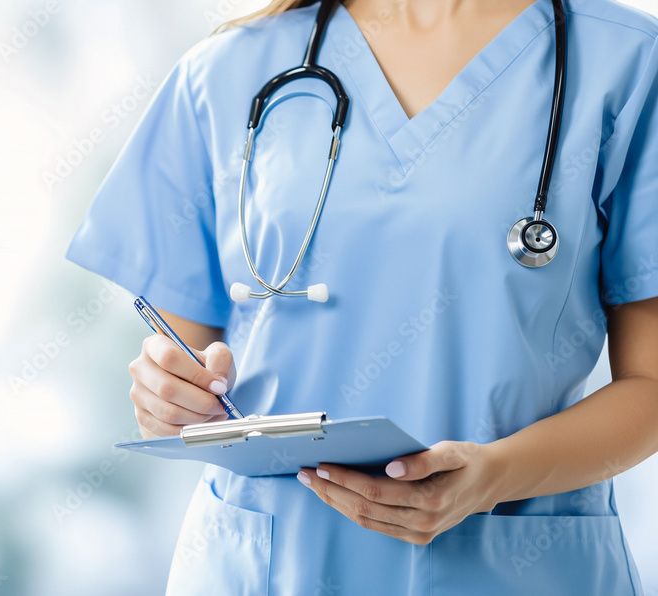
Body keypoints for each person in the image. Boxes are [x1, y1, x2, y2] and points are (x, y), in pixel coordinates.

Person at [65, 0, 658, 593]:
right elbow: (182, 371)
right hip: (270, 566)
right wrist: (168, 396)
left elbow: (650, 385)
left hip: (514, 566)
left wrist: (495, 476)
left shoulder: (624, 60)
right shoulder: (225, 70)